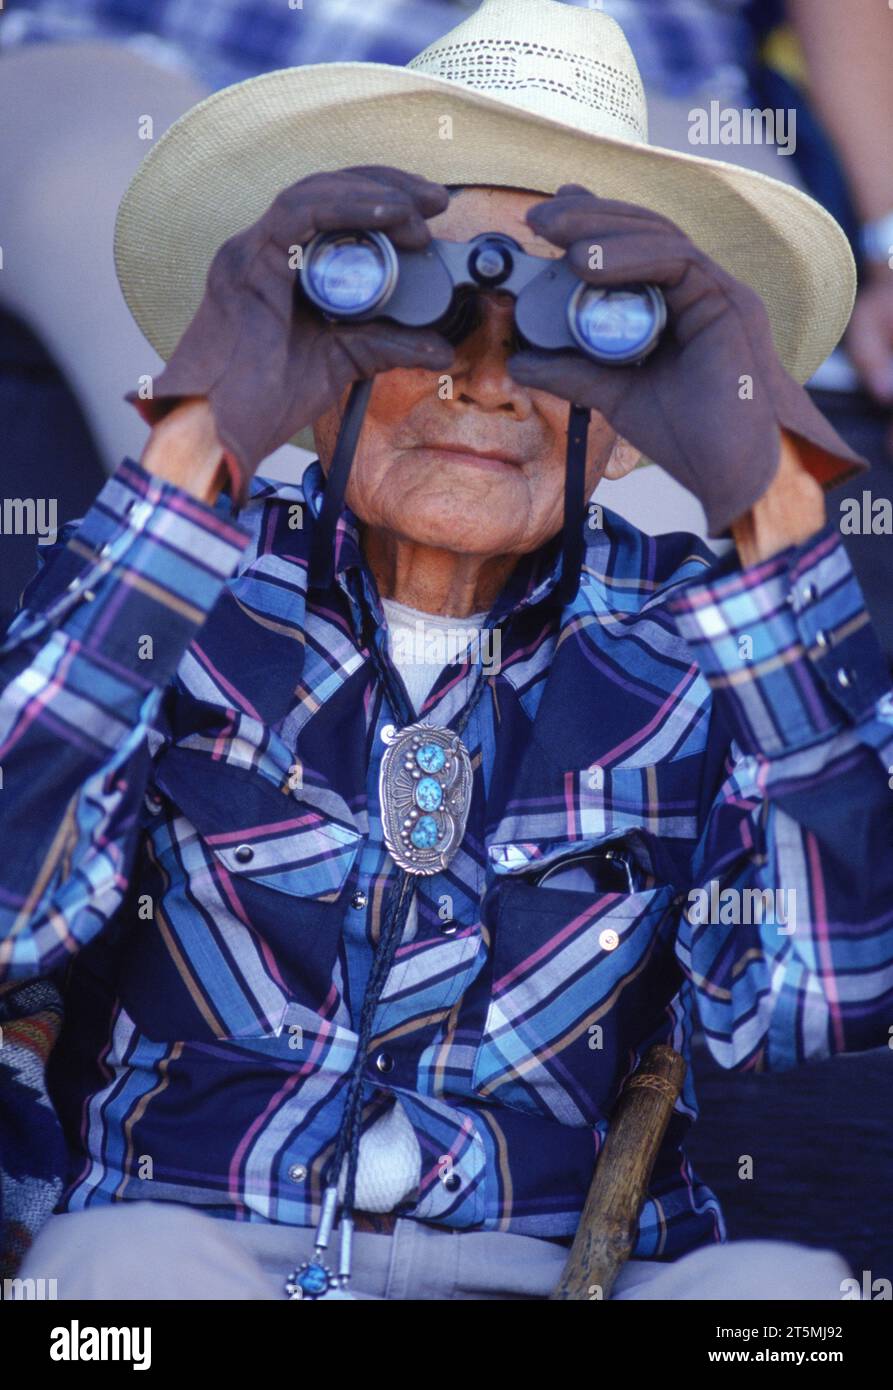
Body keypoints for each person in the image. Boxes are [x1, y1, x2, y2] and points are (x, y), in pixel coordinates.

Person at [4, 0, 893, 1300]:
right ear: (319, 351)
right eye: (419, 307)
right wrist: (200, 435)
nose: (485, 379)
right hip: (192, 1246)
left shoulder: (700, 651)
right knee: (114, 1274)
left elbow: (835, 991)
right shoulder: (178, 590)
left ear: (636, 409)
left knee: (788, 1310)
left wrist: (767, 500)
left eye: (569, 323)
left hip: (557, 1266)